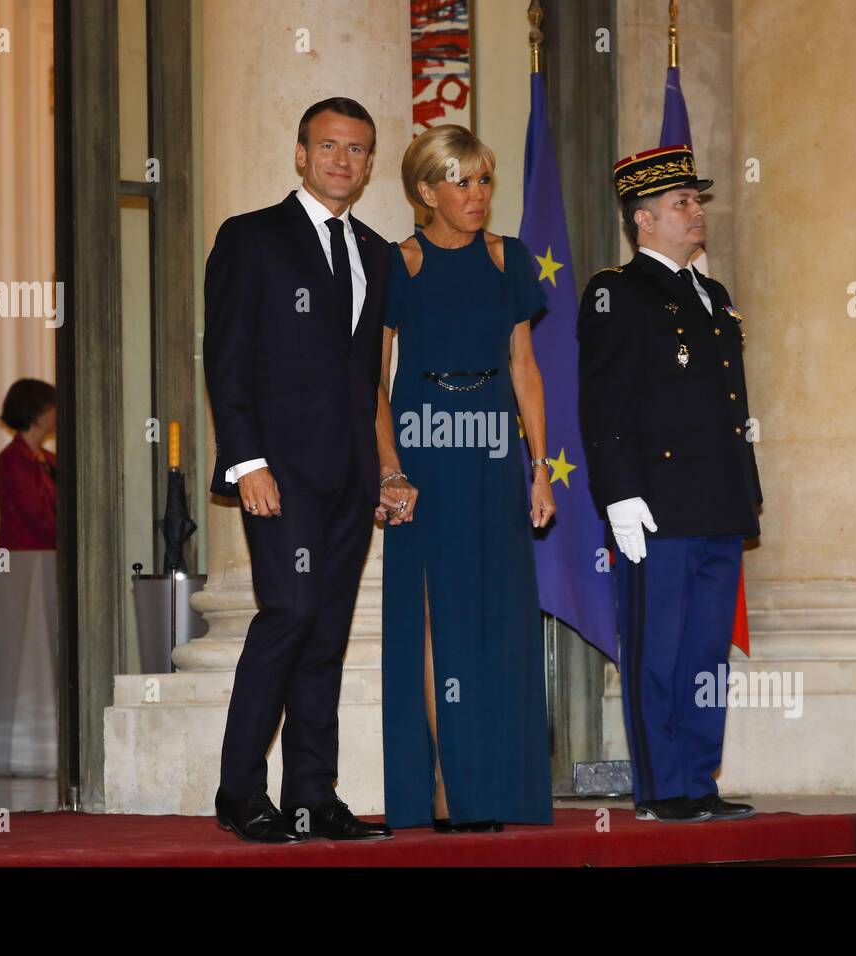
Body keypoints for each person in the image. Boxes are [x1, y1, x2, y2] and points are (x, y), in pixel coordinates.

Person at [203, 97, 393, 843]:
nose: (342, 161)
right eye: (329, 147)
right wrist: (245, 459)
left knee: (327, 634)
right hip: (277, 470)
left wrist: (384, 470)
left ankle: (313, 796)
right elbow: (228, 359)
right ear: (300, 154)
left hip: (349, 477)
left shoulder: (375, 251)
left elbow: (366, 377)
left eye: (357, 150)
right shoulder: (250, 238)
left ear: (370, 163)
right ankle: (239, 790)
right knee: (290, 616)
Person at [375, 125, 555, 832]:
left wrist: (539, 468)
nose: (477, 195)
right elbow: (373, 380)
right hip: (423, 447)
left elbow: (525, 369)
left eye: (484, 180)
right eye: (461, 181)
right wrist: (390, 472)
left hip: (490, 446)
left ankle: (495, 781)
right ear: (426, 192)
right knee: (432, 617)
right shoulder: (401, 263)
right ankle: (448, 785)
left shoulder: (509, 258)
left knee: (494, 617)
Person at [578, 145, 761, 823]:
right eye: (681, 203)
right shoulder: (615, 291)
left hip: (715, 500)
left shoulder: (712, 295)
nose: (695, 213)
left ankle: (698, 779)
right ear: (643, 219)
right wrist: (619, 493)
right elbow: (604, 400)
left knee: (707, 655)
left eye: (696, 200)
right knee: (659, 650)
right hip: (656, 504)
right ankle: (661, 789)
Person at [0, 379, 57, 551]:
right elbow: (37, 515)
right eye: (53, 406)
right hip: (24, 558)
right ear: (37, 412)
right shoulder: (12, 458)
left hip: (48, 556)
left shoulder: (50, 458)